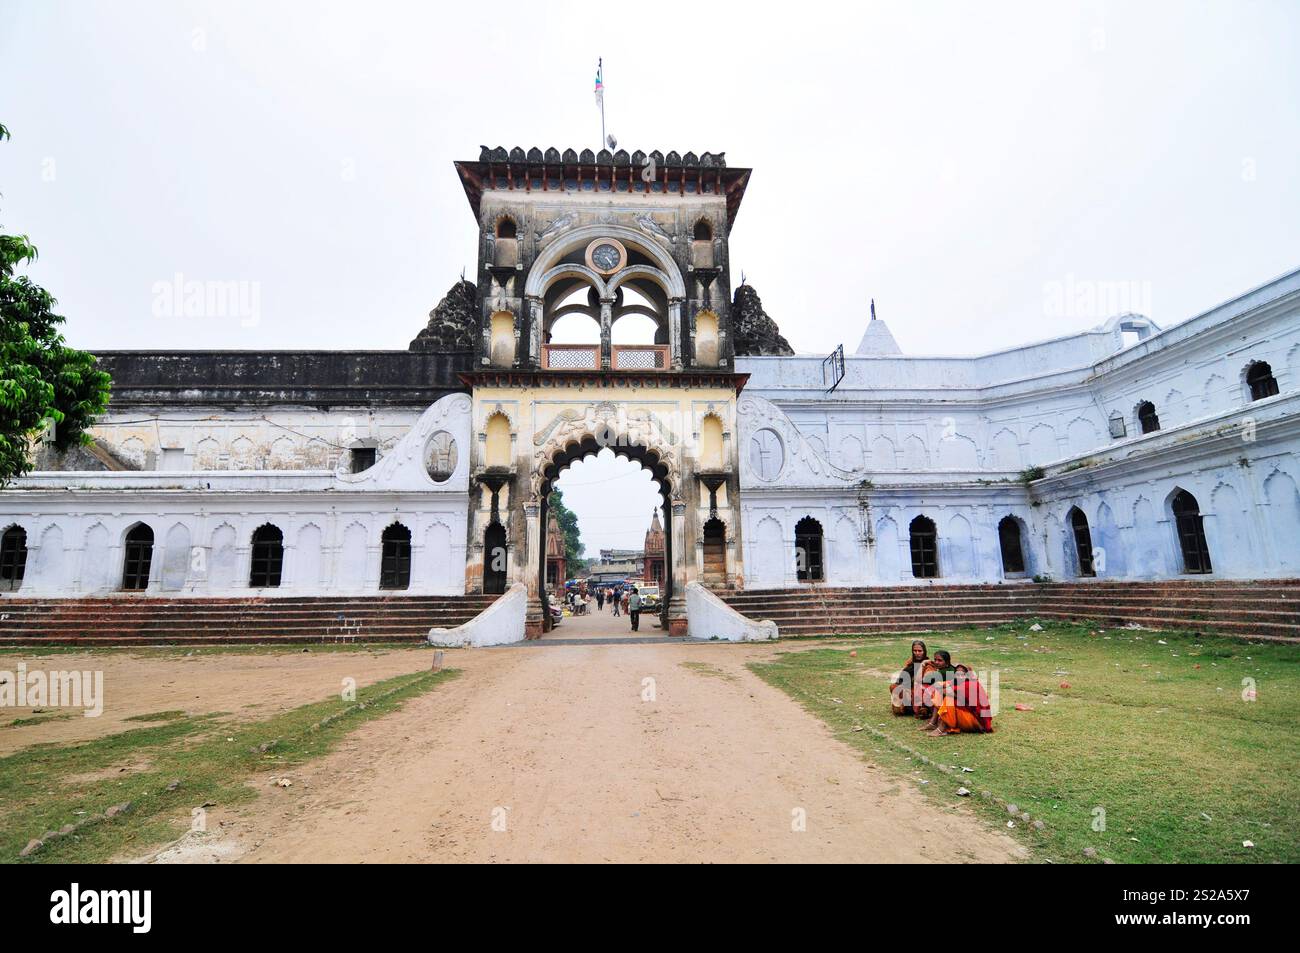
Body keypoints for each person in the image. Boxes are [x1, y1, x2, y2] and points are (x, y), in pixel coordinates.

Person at [922, 663, 993, 735]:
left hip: (978, 723)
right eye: (957, 674)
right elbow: (938, 685)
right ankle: (933, 722)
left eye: (962, 675)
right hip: (970, 716)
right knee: (940, 694)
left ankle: (941, 728)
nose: (959, 677)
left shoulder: (970, 684)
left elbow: (945, 691)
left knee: (948, 699)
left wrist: (942, 686)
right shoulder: (960, 682)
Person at [890, 640, 929, 716]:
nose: (917, 653)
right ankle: (906, 706)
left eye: (920, 651)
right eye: (915, 651)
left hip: (919, 692)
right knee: (894, 687)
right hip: (908, 690)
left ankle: (919, 708)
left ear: (924, 651)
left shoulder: (928, 664)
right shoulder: (910, 662)